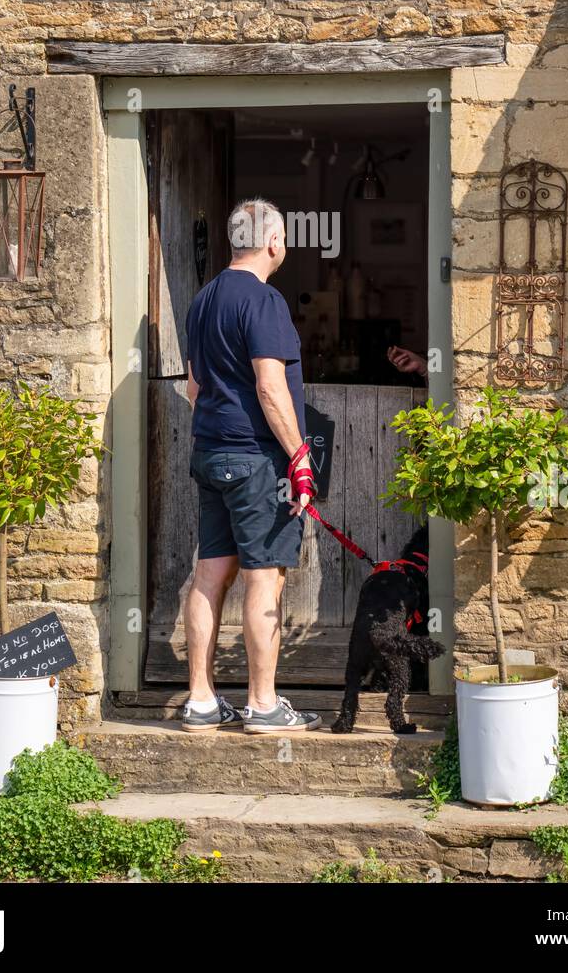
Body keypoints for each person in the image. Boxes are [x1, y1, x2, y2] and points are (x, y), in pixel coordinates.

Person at [181, 197, 321, 735]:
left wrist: (220, 428)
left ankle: (200, 701)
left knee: (210, 573)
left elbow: (193, 386)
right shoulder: (264, 301)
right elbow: (269, 385)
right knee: (265, 579)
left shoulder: (203, 300)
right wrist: (299, 455)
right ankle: (263, 705)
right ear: (273, 242)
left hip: (211, 452)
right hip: (258, 459)